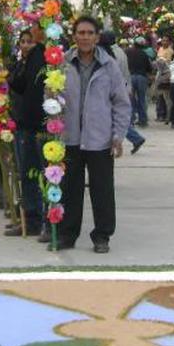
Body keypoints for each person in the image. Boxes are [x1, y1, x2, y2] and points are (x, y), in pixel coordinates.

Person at [57, 15, 132, 253]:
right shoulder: (61, 64)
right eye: (81, 33)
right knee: (70, 189)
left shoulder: (109, 66)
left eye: (90, 33)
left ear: (97, 37)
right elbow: (51, 99)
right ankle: (68, 234)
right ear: (74, 36)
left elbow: (121, 103)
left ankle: (102, 236)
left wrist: (118, 135)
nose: (85, 37)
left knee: (102, 190)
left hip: (100, 140)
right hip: (69, 138)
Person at [7, 26, 49, 238]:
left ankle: (44, 221)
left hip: (40, 127)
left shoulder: (45, 57)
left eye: (30, 40)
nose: (26, 45)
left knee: (42, 175)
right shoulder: (28, 60)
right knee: (27, 174)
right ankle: (31, 219)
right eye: (23, 41)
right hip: (25, 125)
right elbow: (19, 85)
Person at [101, 31, 146, 154]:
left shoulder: (110, 53)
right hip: (123, 86)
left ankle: (135, 138)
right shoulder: (121, 52)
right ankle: (135, 138)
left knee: (114, 118)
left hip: (114, 88)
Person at [125, 36, 153, 127]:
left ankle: (131, 119)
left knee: (131, 99)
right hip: (141, 77)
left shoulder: (127, 52)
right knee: (142, 99)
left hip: (131, 76)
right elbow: (149, 68)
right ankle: (143, 120)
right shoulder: (144, 54)